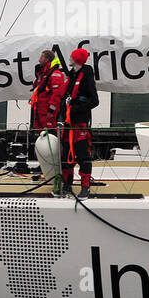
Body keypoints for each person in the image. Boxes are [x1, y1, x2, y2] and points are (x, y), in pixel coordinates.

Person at [56, 46, 99, 197]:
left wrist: (76, 109)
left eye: (72, 57)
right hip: (68, 124)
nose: (69, 59)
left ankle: (85, 188)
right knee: (66, 156)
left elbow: (94, 101)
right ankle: (67, 186)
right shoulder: (72, 76)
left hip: (80, 124)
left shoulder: (86, 76)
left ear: (77, 60)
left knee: (83, 156)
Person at [29, 49, 67, 132]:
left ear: (47, 59)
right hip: (40, 110)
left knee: (50, 134)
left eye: (41, 57)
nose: (39, 60)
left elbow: (57, 93)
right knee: (41, 133)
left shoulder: (55, 74)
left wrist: (51, 109)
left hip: (47, 112)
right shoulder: (42, 75)